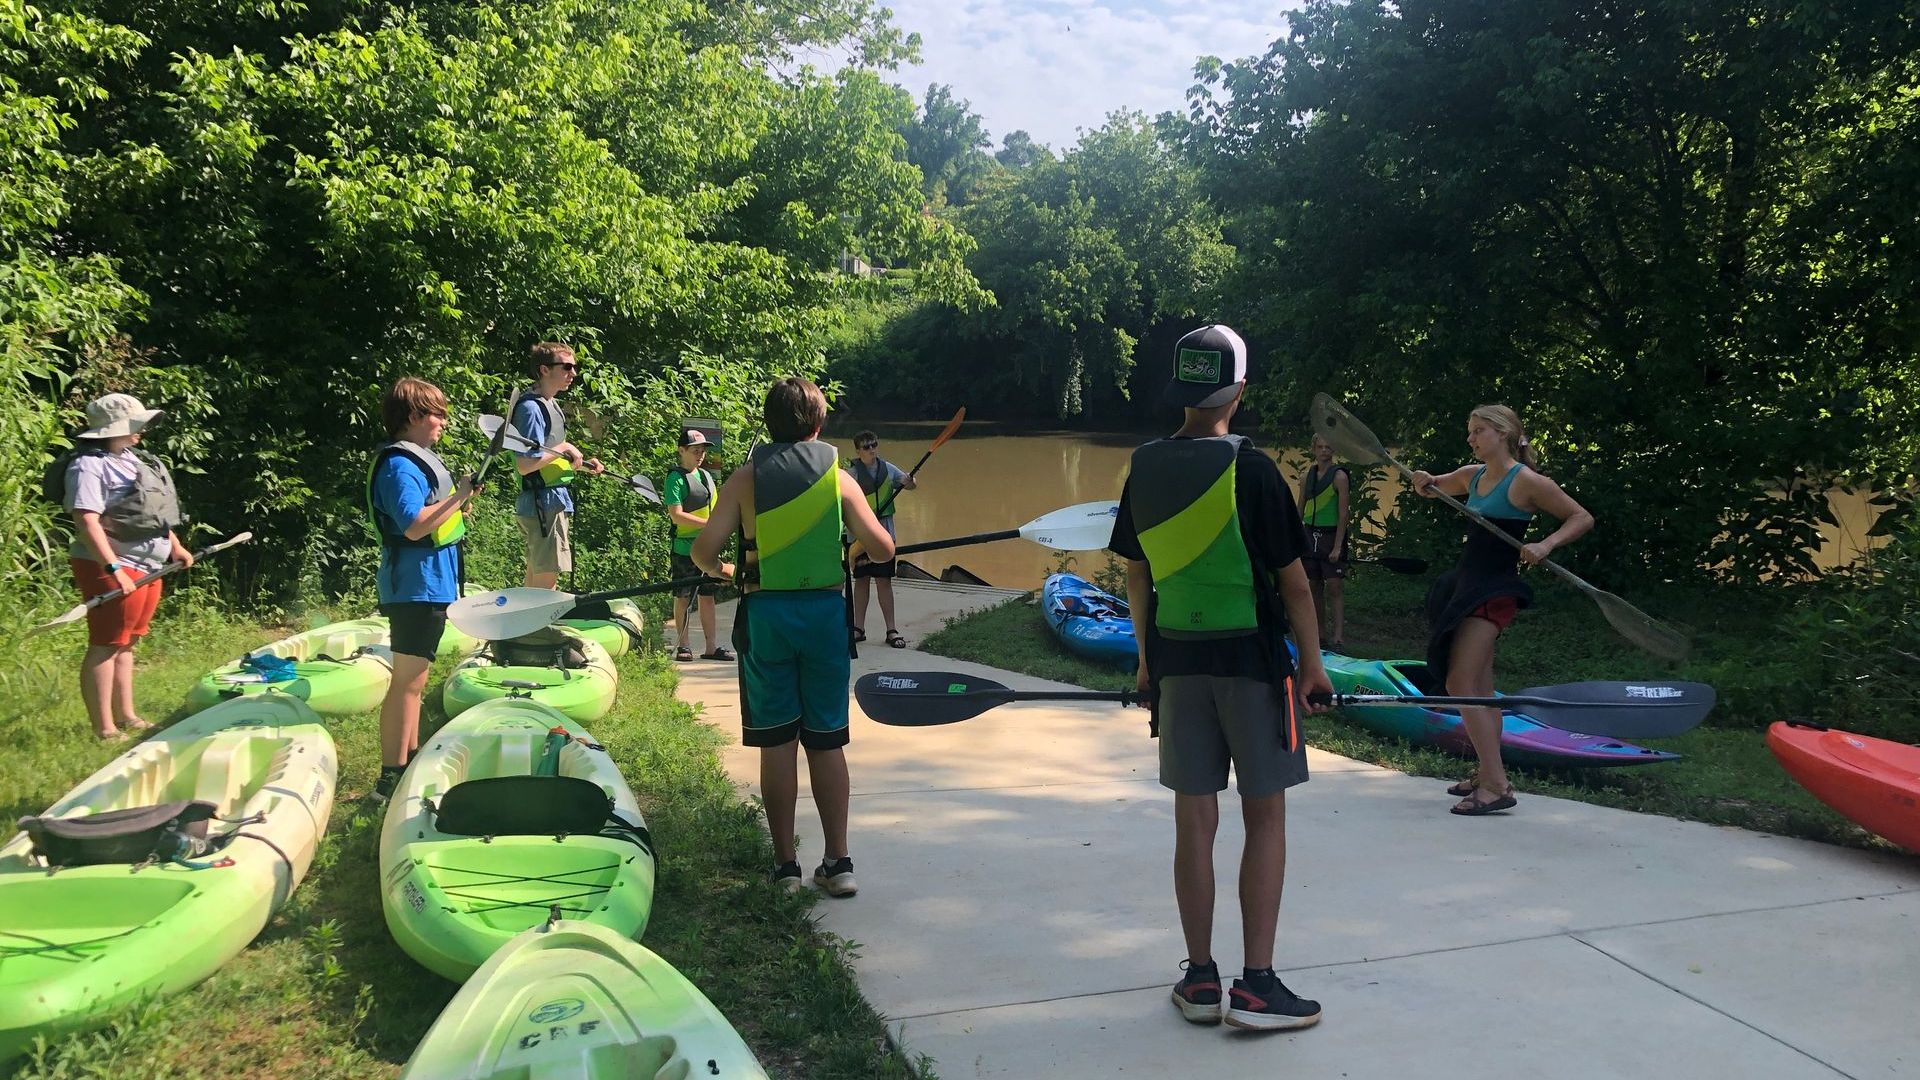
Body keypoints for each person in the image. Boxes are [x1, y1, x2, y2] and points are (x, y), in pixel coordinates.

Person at [1109, 324, 1333, 1033]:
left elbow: (1136, 572)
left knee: (1193, 817)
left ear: (1180, 387)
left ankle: (1201, 980)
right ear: (1238, 389)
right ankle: (1258, 986)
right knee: (1264, 815)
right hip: (1254, 669)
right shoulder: (1256, 469)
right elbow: (1295, 586)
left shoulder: (1143, 465)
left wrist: (1145, 660)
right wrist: (1316, 667)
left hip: (1176, 664)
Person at [692, 378, 894, 897]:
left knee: (776, 740)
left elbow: (702, 552)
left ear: (768, 423)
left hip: (767, 618)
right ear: (819, 424)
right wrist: (848, 554)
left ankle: (786, 868)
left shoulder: (744, 479)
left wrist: (727, 568)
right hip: (826, 616)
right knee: (826, 739)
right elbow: (884, 548)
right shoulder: (840, 476)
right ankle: (839, 862)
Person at [1410, 405, 1594, 816]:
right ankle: (1487, 771)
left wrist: (1546, 545)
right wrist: (1423, 481)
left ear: (1503, 433)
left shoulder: (1527, 482)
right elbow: (1432, 485)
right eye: (1470, 431)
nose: (1471, 438)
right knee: (1480, 689)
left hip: (1493, 591)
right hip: (1466, 584)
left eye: (1478, 431)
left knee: (1460, 681)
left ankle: (1496, 784)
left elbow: (1581, 517)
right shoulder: (1472, 475)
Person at [366, 377, 484, 801]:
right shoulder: (399, 466)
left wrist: (461, 500)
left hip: (430, 584)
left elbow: (435, 518)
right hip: (414, 586)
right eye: (437, 414)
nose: (443, 423)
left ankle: (408, 761)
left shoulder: (417, 462)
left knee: (416, 679)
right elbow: (414, 525)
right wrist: (459, 497)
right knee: (407, 681)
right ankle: (389, 778)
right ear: (413, 417)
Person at [61, 393, 193, 741]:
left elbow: (152, 512)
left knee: (128, 642)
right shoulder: (88, 465)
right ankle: (104, 728)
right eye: (135, 425)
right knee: (106, 643)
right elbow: (87, 520)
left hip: (149, 565)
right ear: (113, 428)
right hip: (112, 565)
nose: (141, 431)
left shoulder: (133, 459)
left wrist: (175, 547)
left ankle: (127, 716)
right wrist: (114, 567)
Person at [512, 342, 603, 589]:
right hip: (543, 503)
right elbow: (525, 463)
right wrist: (564, 448)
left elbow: (549, 456)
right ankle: (540, 628)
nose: (573, 373)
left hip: (550, 499)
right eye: (567, 367)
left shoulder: (550, 404)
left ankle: (529, 628)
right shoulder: (531, 408)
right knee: (545, 582)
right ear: (544, 370)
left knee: (536, 578)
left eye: (574, 367)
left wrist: (583, 463)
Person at [843, 430, 915, 648]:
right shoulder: (851, 473)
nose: (871, 449)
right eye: (866, 447)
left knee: (884, 581)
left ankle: (891, 630)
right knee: (861, 581)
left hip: (883, 533)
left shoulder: (888, 469)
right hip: (860, 535)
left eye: (874, 445)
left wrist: (909, 481)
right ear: (858, 451)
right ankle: (858, 628)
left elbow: (910, 485)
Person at [664, 428, 731, 662]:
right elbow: (676, 515)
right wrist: (708, 524)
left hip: (707, 546)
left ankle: (711, 647)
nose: (700, 454)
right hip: (684, 549)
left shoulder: (706, 477)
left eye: (702, 450)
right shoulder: (675, 478)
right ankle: (684, 645)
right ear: (681, 451)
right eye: (695, 450)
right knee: (683, 596)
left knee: (707, 596)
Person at [1298, 433, 1351, 649]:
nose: (1324, 451)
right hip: (1310, 534)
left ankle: (1338, 635)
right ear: (1314, 449)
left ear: (1334, 450)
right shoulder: (1306, 477)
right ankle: (1320, 633)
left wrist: (1338, 545)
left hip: (1331, 535)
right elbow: (1299, 509)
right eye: (1320, 447)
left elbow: (1343, 514)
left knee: (1335, 586)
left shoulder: (1339, 477)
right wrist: (1295, 537)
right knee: (1313, 585)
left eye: (1328, 447)